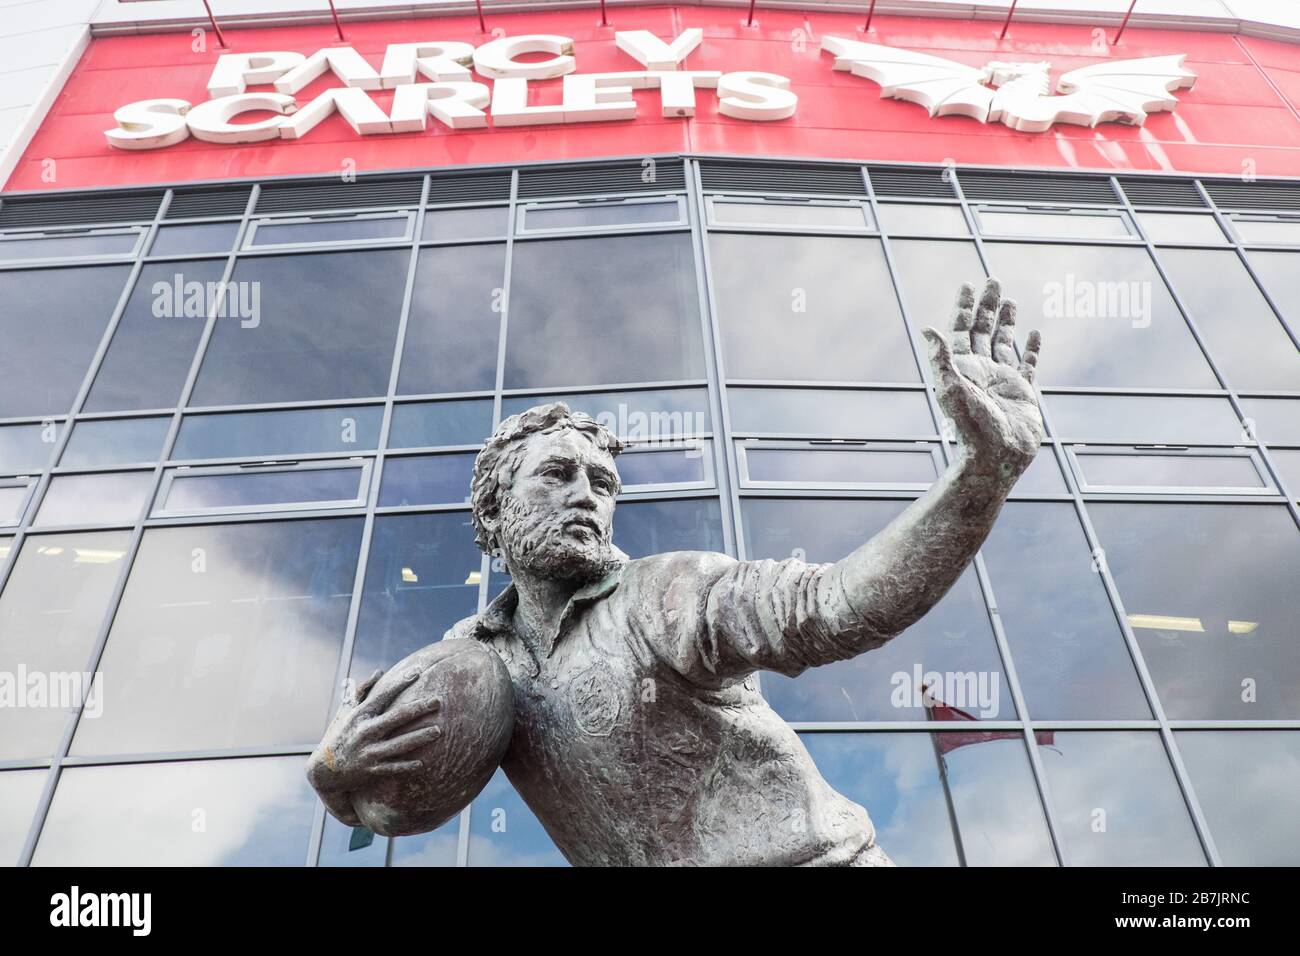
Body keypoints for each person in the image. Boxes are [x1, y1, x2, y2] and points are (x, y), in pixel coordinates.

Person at [307, 277, 1043, 866]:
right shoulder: (469, 662)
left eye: (602, 483)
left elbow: (836, 606)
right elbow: (382, 809)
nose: (586, 496)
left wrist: (980, 476)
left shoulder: (666, 593)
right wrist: (335, 767)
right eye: (558, 475)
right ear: (493, 513)